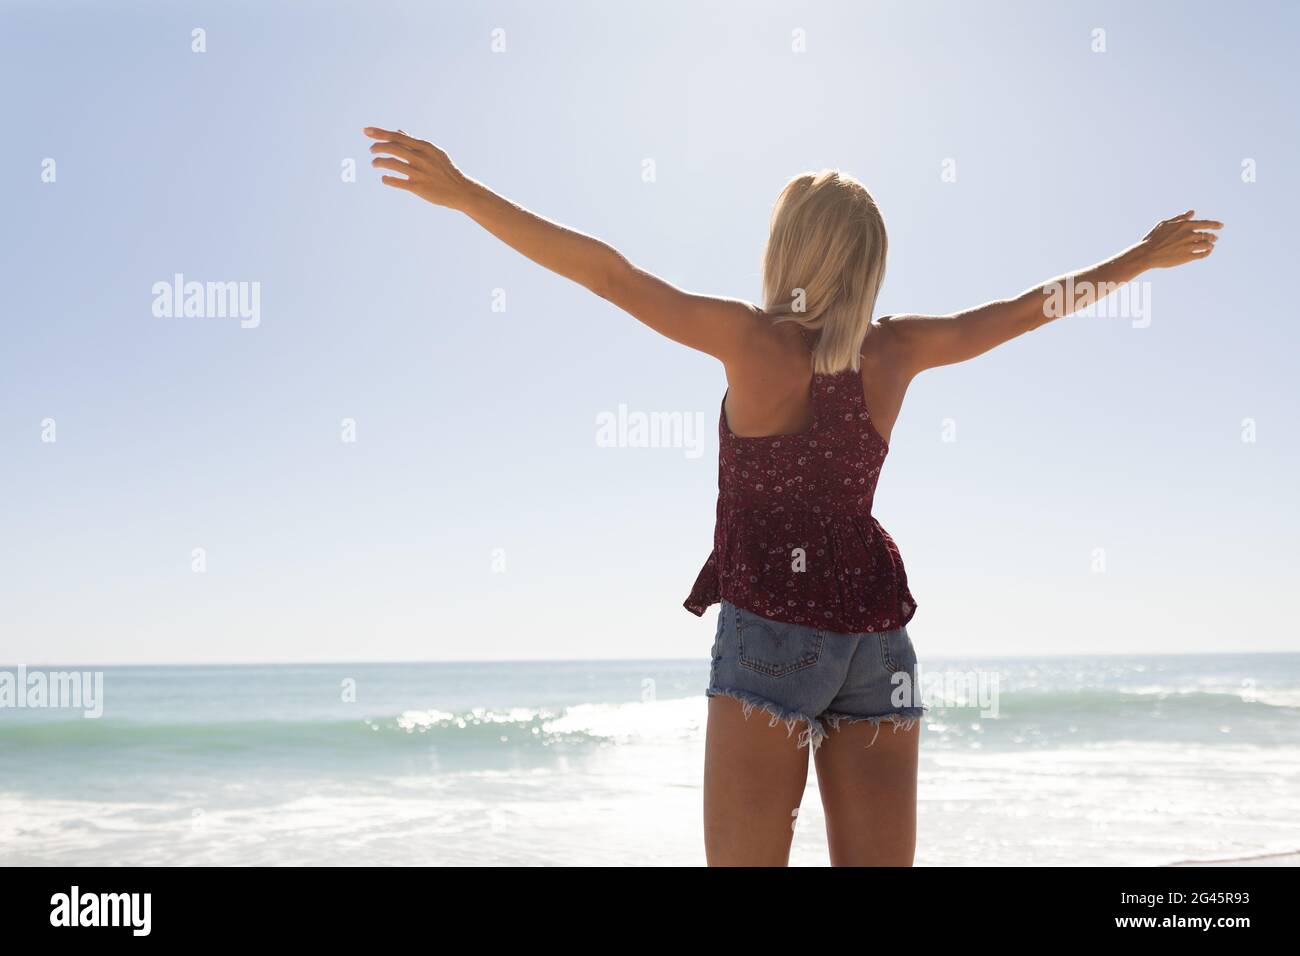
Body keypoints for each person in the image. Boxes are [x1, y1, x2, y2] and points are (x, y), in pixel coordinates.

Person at [364, 125, 1221, 866]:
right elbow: (1029, 310)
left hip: (772, 625)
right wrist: (1144, 255)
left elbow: (609, 276)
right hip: (878, 638)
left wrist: (467, 192)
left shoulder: (753, 341)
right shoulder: (897, 352)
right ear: (870, 264)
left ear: (790, 252)